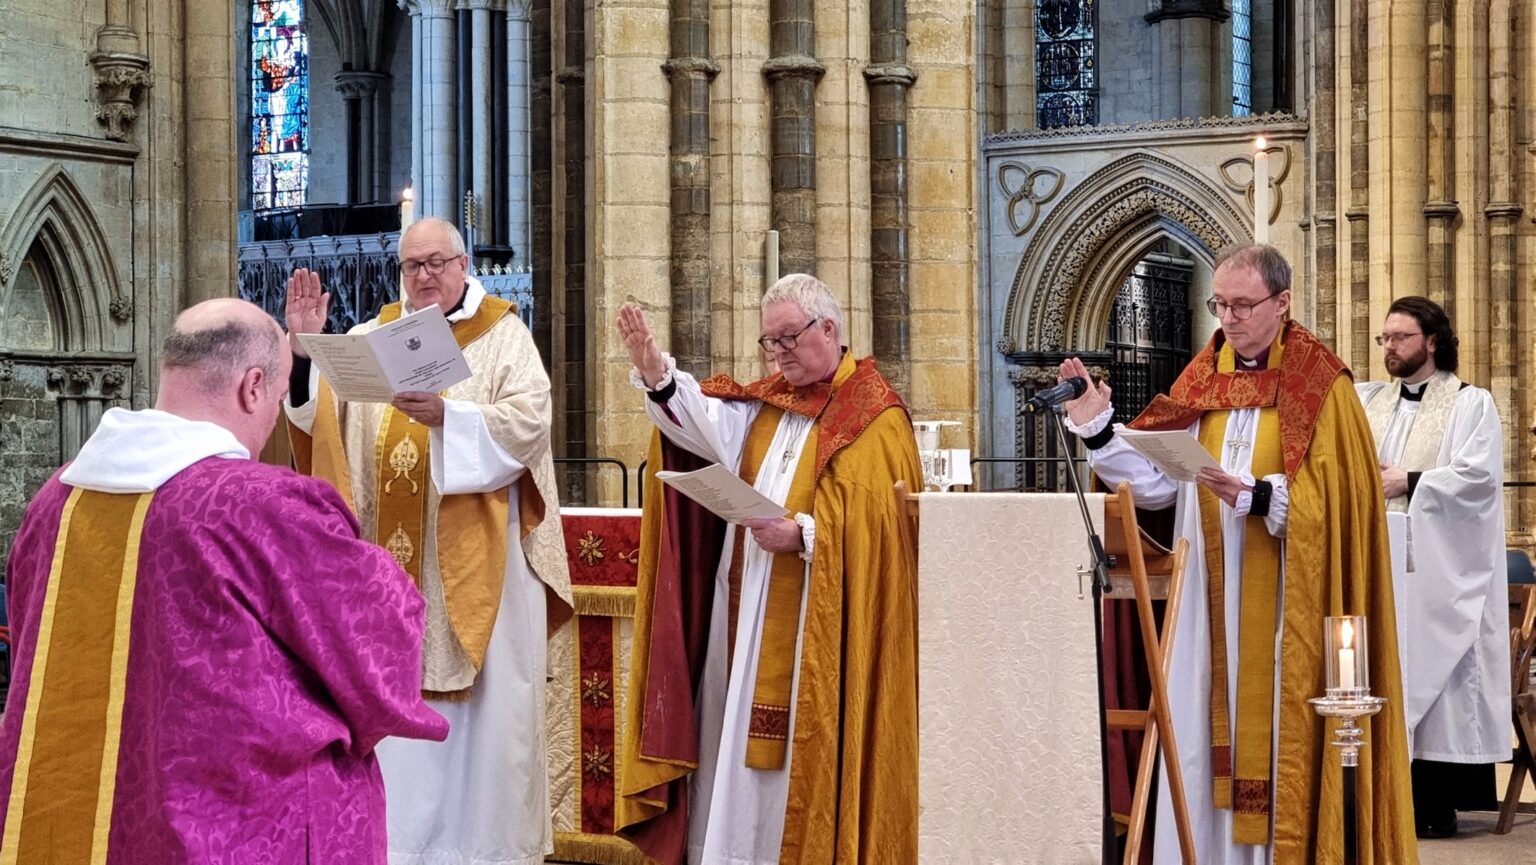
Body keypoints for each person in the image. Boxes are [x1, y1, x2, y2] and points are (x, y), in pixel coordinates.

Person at [0, 298, 449, 863]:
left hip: (74, 818)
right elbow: (380, 651)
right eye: (282, 396)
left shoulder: (57, 499)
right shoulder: (262, 506)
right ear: (253, 386)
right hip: (236, 824)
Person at [1056, 244, 1417, 863]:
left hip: (1289, 608)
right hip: (1207, 606)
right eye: (1220, 304)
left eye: (1244, 305)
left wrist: (1255, 496)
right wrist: (1097, 427)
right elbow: (1153, 482)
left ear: (1282, 303)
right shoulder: (1203, 378)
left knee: (1282, 733)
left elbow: (1342, 503)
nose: (1230, 317)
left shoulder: (1321, 384)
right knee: (1199, 736)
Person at [284, 217, 574, 865]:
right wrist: (306, 356)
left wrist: (452, 416)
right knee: (400, 752)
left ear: (464, 263)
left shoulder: (503, 339)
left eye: (436, 262)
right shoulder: (371, 337)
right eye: (411, 264)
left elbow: (530, 423)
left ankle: (489, 852)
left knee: (484, 738)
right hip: (389, 585)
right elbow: (318, 426)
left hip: (482, 574)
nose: (423, 276)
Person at [613, 275, 923, 865]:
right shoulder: (765, 406)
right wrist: (656, 373)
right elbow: (701, 426)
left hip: (820, 624)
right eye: (769, 341)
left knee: (799, 765)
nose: (777, 352)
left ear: (828, 330)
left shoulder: (875, 415)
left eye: (788, 338)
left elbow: (887, 532)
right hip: (746, 610)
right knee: (734, 751)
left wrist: (804, 535)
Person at [1355, 296, 1509, 839]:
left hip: (1437, 570)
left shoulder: (1471, 404)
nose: (1390, 348)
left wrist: (1412, 481)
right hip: (1377, 560)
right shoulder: (1370, 400)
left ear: (1433, 341)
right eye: (1385, 339)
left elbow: (1479, 479)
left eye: (1400, 338)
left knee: (1436, 674)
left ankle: (1432, 804)